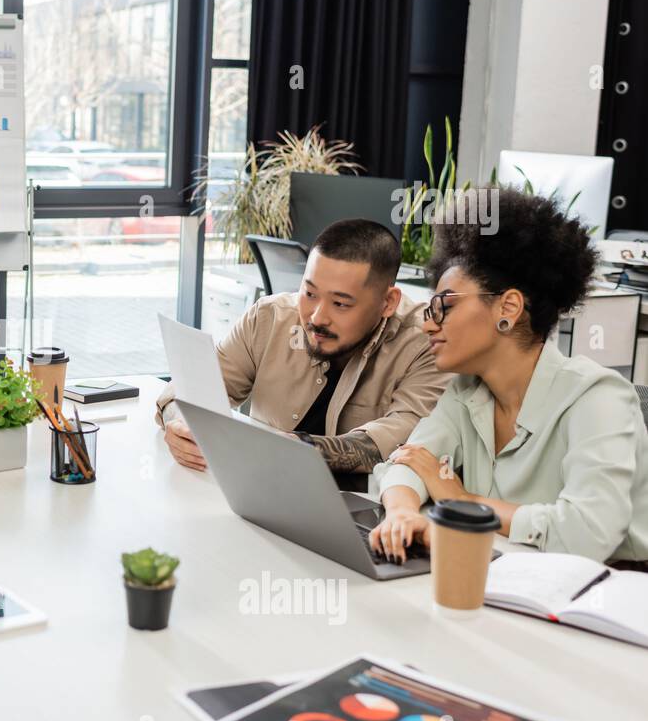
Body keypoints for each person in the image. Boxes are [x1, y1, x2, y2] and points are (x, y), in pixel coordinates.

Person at [369, 187, 648, 566]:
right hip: (510, 576)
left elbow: (589, 533)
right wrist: (402, 511)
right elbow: (408, 463)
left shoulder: (598, 398)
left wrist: (466, 503)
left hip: (612, 596)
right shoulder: (467, 392)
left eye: (444, 306)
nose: (426, 323)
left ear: (509, 307)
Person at [157, 219, 450, 489]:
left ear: (388, 302)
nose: (317, 317)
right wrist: (178, 423)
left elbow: (401, 442)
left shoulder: (428, 342)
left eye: (341, 304)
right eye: (309, 294)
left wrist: (290, 448)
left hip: (365, 507)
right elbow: (189, 387)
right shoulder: (270, 317)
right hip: (258, 491)